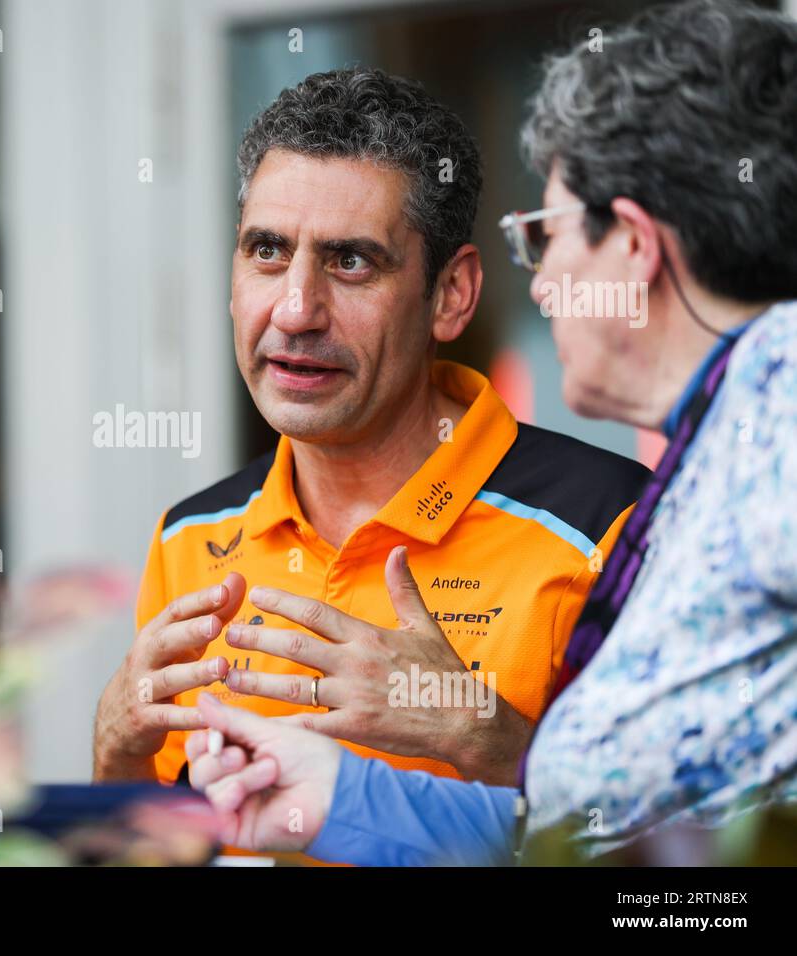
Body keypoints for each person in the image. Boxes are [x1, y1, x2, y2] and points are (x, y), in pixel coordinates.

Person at [189, 0, 797, 863]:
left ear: (630, 245)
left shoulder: (782, 418)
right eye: (266, 252)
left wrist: (476, 730)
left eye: (543, 237)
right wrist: (335, 794)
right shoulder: (723, 444)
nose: (541, 287)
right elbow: (631, 841)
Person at [93, 68, 648, 791]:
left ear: (450, 295)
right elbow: (159, 841)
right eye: (267, 250)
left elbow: (689, 868)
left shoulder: (612, 527)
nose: (295, 310)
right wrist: (115, 757)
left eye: (350, 261)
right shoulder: (188, 537)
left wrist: (485, 734)